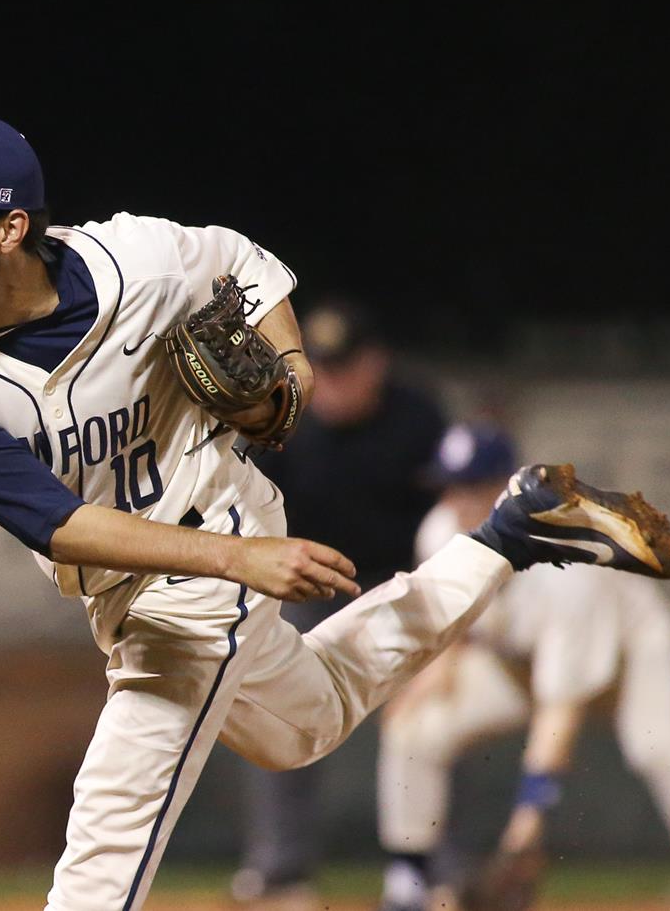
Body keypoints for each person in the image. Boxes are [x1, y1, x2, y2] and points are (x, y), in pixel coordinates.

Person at [0, 108, 670, 911]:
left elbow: (244, 263)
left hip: (217, 536)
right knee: (304, 723)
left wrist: (295, 378)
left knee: (111, 823)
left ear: (9, 227)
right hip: (159, 575)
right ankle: (512, 528)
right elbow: (52, 519)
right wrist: (240, 563)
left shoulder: (138, 260)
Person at [374, 422, 670, 911]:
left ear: (505, 486)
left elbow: (560, 711)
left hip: (633, 651)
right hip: (520, 660)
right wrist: (430, 675)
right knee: (414, 727)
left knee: (656, 744)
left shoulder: (563, 571)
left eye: (473, 487)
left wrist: (527, 823)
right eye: (451, 486)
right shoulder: (440, 530)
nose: (458, 500)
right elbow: (457, 623)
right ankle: (406, 884)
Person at [232, 298, 447, 910]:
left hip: (398, 589)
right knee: (282, 719)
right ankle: (280, 873)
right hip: (310, 592)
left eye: (347, 365)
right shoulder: (283, 420)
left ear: (376, 363)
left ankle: (436, 872)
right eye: (323, 365)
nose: (334, 379)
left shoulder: (417, 417)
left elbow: (450, 509)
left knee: (428, 730)